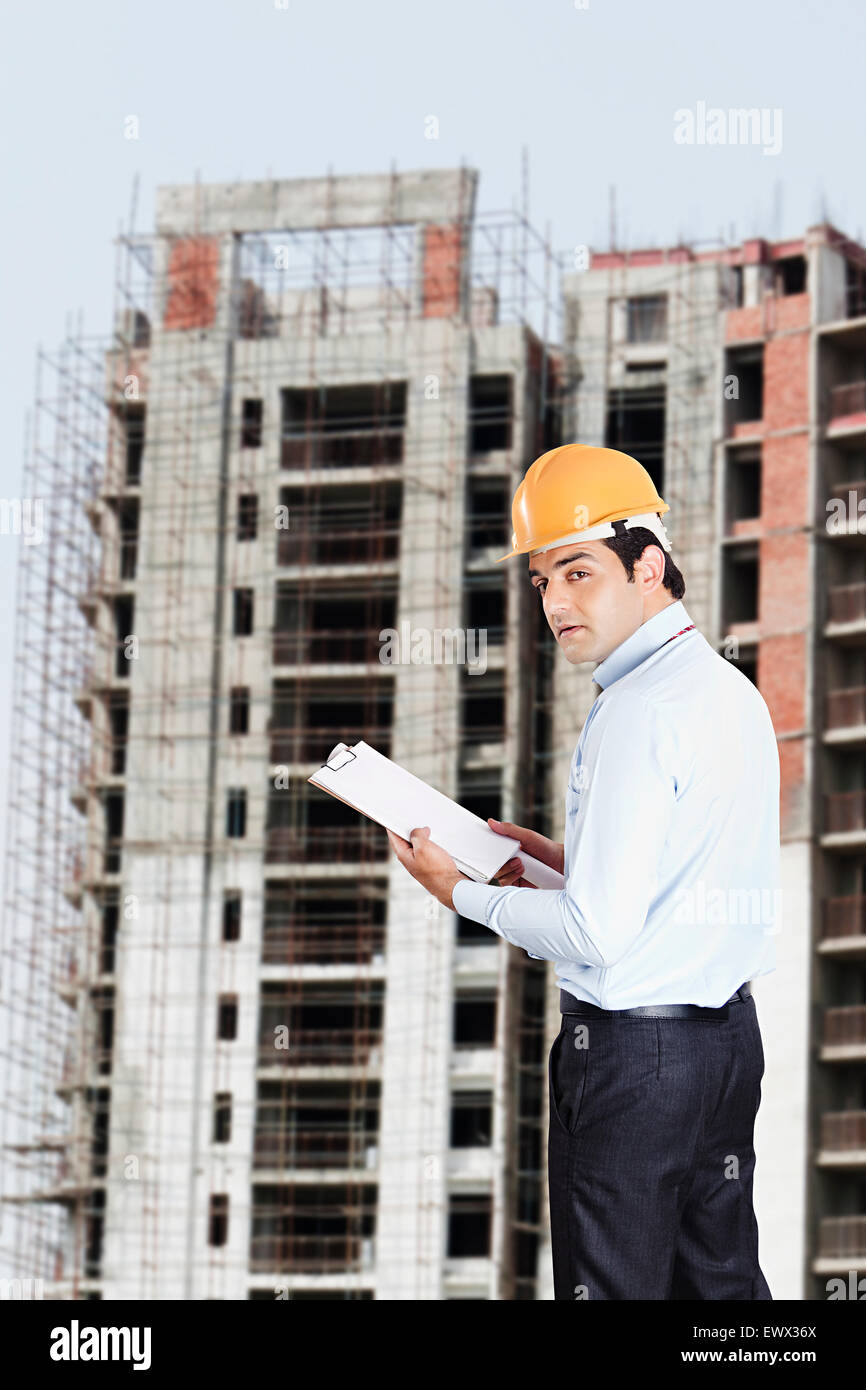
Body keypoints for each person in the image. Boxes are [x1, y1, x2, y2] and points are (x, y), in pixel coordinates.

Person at [387, 443, 778, 1300]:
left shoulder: (635, 710)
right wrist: (568, 861)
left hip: (635, 1059)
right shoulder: (727, 691)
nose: (556, 602)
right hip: (727, 1049)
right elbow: (687, 873)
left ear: (648, 565)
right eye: (541, 583)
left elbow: (596, 932)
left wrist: (465, 893)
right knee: (725, 1300)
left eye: (577, 571)